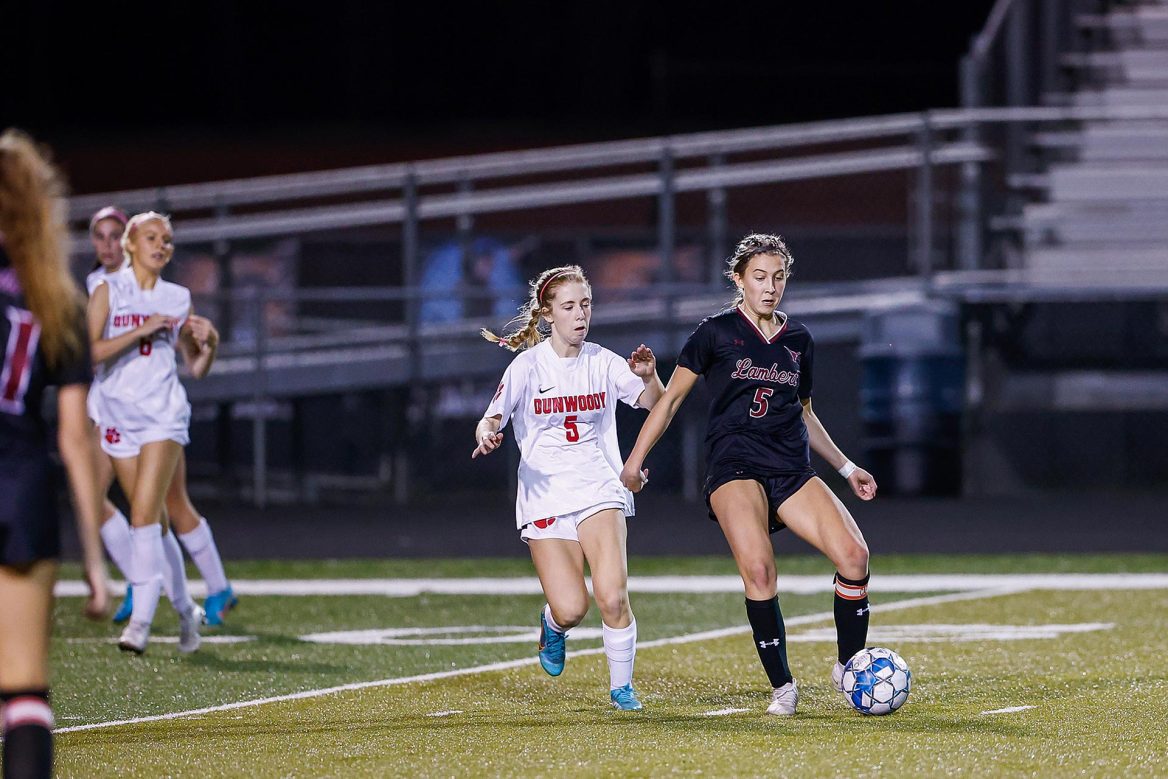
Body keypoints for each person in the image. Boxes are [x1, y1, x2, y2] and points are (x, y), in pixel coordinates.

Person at [619, 233, 877, 716]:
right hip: (734, 466)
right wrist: (633, 461)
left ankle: (848, 666)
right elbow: (670, 401)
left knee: (855, 556)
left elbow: (804, 412)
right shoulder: (715, 333)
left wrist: (846, 467)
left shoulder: (798, 339)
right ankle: (783, 686)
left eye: (779, 277)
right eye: (759, 277)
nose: (770, 286)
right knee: (759, 570)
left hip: (790, 466)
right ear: (739, 280)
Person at [472, 265, 664, 711]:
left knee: (612, 596)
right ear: (548, 313)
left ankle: (621, 689)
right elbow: (491, 417)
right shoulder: (527, 366)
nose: (580, 315)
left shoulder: (603, 361)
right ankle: (553, 625)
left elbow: (657, 404)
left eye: (586, 305)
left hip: (600, 488)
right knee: (572, 608)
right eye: (569, 306)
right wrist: (487, 434)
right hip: (545, 496)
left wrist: (650, 377)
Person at [0, 129, 109, 778]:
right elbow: (75, 436)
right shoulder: (56, 299)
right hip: (21, 488)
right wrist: (96, 559)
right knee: (23, 690)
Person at [85, 207, 237, 627]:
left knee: (161, 506)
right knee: (108, 503)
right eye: (100, 236)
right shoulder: (103, 287)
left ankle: (198, 589)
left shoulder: (175, 296)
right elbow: (89, 353)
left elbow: (196, 365)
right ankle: (160, 587)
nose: (108, 244)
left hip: (158, 414)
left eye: (164, 240)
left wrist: (211, 342)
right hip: (112, 409)